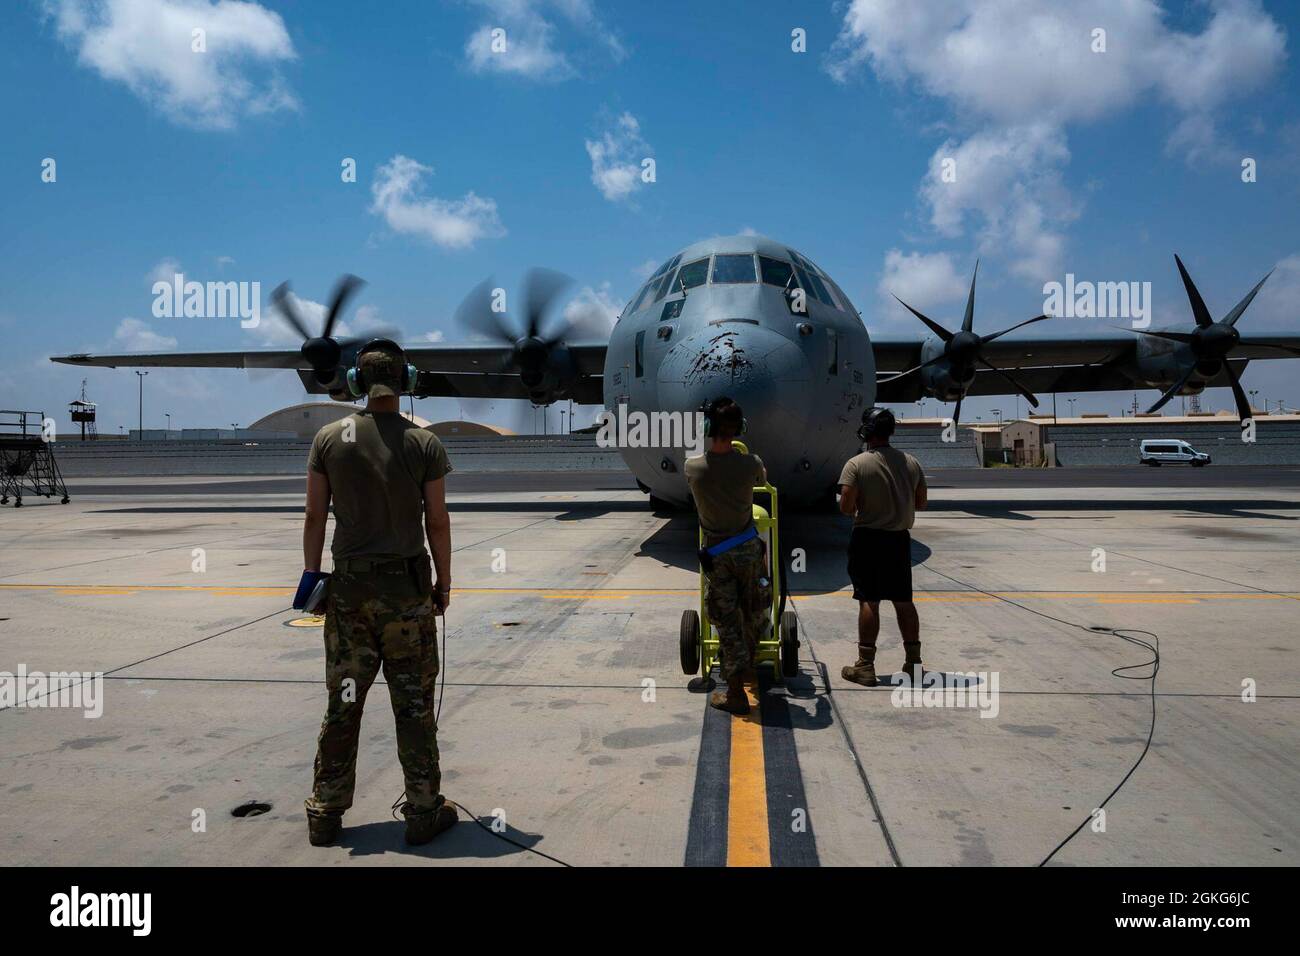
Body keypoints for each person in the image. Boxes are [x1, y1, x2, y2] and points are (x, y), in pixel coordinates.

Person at [301, 339, 456, 847]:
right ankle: (423, 810)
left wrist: (311, 580)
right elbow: (436, 519)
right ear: (407, 381)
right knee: (412, 707)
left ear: (356, 384)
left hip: (348, 593)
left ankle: (325, 812)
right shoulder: (423, 443)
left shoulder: (329, 438)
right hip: (406, 597)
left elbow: (314, 517)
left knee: (343, 703)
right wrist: (443, 582)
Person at [684, 397, 769, 714]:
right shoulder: (751, 464)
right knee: (753, 610)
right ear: (740, 429)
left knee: (727, 621)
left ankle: (735, 694)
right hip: (748, 549)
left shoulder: (693, 467)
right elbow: (762, 479)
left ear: (707, 428)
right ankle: (747, 666)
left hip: (717, 554)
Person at [837, 406, 928, 687]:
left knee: (869, 601)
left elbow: (846, 507)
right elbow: (922, 503)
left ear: (867, 431)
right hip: (899, 540)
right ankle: (913, 663)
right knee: (904, 601)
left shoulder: (856, 464)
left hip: (868, 539)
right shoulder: (911, 462)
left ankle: (865, 665)